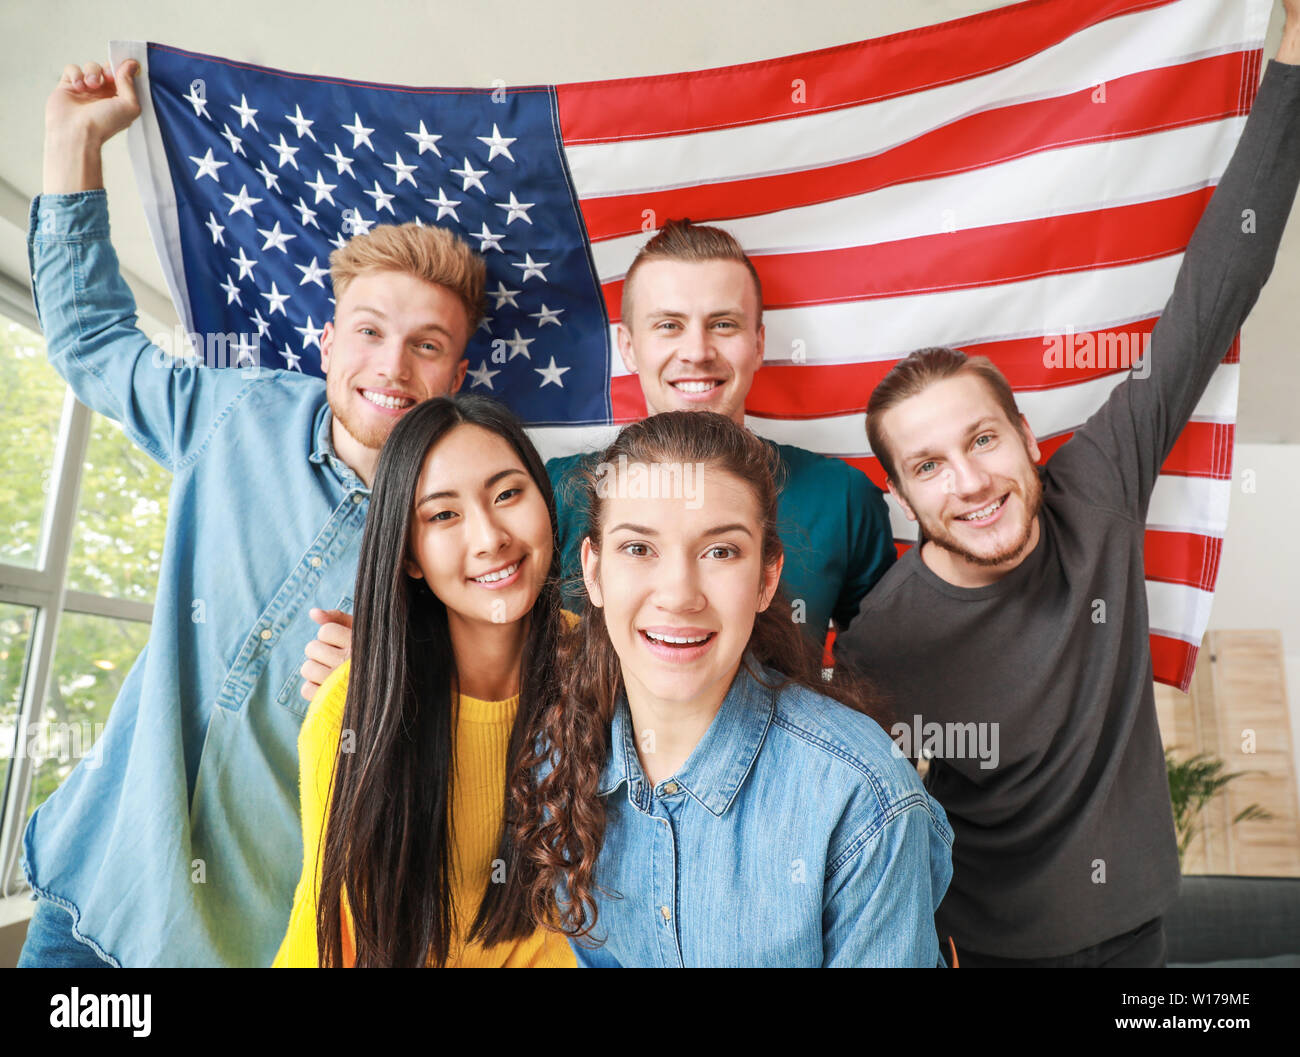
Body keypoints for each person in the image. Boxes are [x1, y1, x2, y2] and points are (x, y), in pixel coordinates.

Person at [834, 25, 1300, 968]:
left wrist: (1293, 56)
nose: (968, 482)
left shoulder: (1100, 483)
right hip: (976, 954)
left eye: (981, 439)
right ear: (902, 497)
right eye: (928, 467)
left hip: (1139, 939)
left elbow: (1218, 287)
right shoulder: (885, 635)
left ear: (1028, 440)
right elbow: (864, 821)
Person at [19, 59, 483, 967]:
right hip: (96, 884)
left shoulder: (467, 537)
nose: (393, 364)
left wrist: (394, 679)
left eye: (427, 346)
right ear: (328, 339)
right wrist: (73, 144)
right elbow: (91, 342)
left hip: (255, 937)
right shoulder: (233, 412)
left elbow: (485, 726)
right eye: (370, 331)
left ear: (456, 377)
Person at [515, 411, 953, 967]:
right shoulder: (556, 757)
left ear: (767, 579)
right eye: (638, 549)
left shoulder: (861, 795)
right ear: (594, 573)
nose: (679, 595)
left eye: (720, 552)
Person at [274, 396, 575, 967]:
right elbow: (339, 939)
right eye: (443, 515)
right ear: (410, 555)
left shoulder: (607, 673)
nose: (490, 538)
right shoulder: (351, 713)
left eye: (508, 494)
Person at [544, 221, 896, 646]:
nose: (697, 352)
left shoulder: (840, 497)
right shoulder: (559, 492)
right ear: (628, 347)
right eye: (669, 325)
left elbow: (886, 669)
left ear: (759, 344)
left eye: (724, 324)